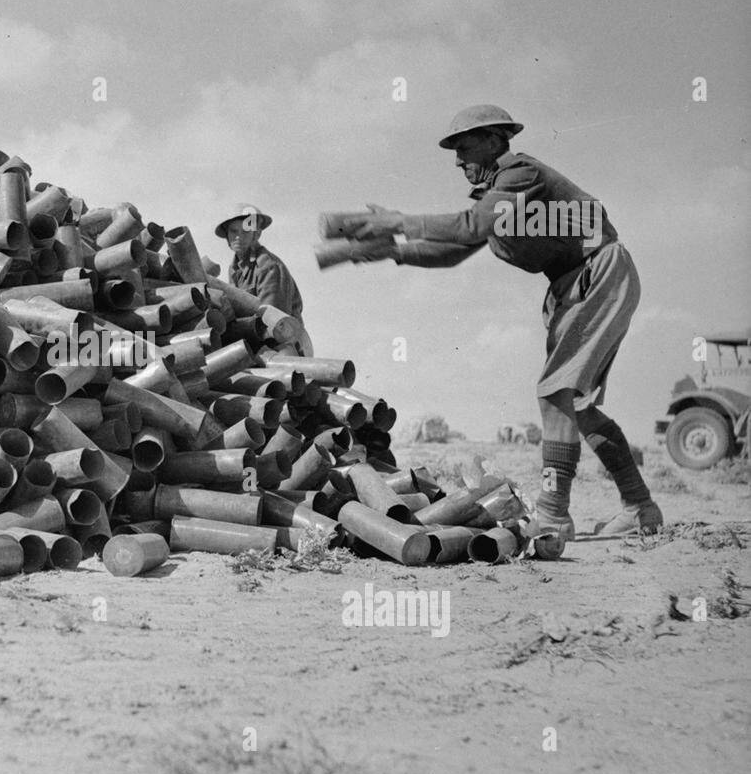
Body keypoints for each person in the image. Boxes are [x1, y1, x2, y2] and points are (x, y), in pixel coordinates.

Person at [350, 104, 661, 544]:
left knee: (556, 394)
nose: (458, 161)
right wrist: (393, 250)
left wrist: (398, 221)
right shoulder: (497, 196)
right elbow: (458, 249)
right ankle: (640, 506)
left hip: (597, 270)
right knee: (577, 405)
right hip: (571, 285)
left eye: (465, 147)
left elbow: (469, 227)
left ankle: (553, 515)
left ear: (496, 140)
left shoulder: (519, 174)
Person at [215, 204, 305, 320]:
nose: (238, 237)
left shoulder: (269, 267)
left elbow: (273, 321)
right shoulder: (234, 269)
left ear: (256, 234)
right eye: (233, 231)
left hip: (278, 334)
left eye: (245, 232)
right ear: (227, 235)